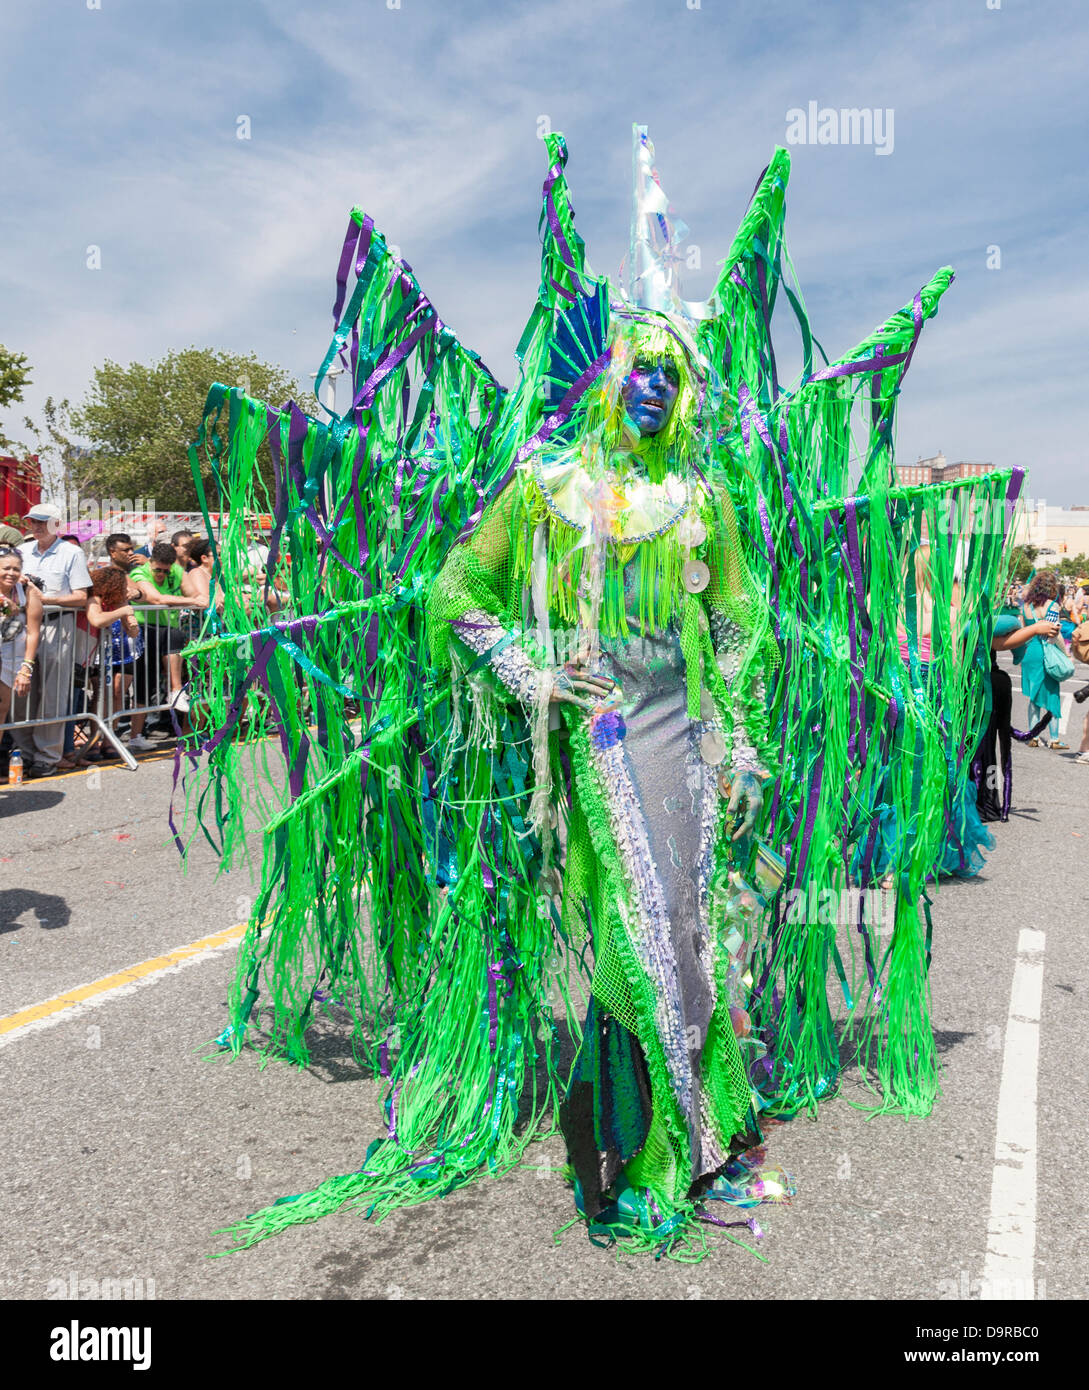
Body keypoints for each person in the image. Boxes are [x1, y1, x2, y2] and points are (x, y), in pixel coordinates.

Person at [12, 502, 91, 777]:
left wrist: (46, 599)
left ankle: (47, 756)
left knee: (52, 695)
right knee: (18, 693)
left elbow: (82, 597)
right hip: (21, 627)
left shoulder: (72, 553)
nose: (35, 526)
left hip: (58, 626)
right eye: (32, 521)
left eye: (42, 521)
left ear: (56, 524)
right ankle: (25, 753)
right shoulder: (21, 552)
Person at [129, 541, 193, 714]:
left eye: (166, 571)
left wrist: (197, 598)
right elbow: (157, 599)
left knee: (175, 636)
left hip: (167, 631)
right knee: (143, 684)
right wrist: (194, 602)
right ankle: (135, 735)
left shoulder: (177, 571)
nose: (162, 574)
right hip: (143, 629)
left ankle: (176, 691)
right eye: (158, 570)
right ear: (150, 562)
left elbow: (194, 592)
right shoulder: (139, 573)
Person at [1014, 569, 1068, 749]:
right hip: (1046, 652)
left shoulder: (1025, 606)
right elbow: (1054, 634)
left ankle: (1033, 736)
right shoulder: (1053, 606)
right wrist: (1066, 653)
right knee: (1052, 695)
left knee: (1034, 697)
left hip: (1030, 653)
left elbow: (1022, 631)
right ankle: (1054, 739)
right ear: (1052, 587)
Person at [0, 546, 44, 758]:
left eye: (16, 569)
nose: (11, 573)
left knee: (1, 711)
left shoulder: (27, 592)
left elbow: (33, 633)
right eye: (6, 568)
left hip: (9, 659)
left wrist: (26, 668)